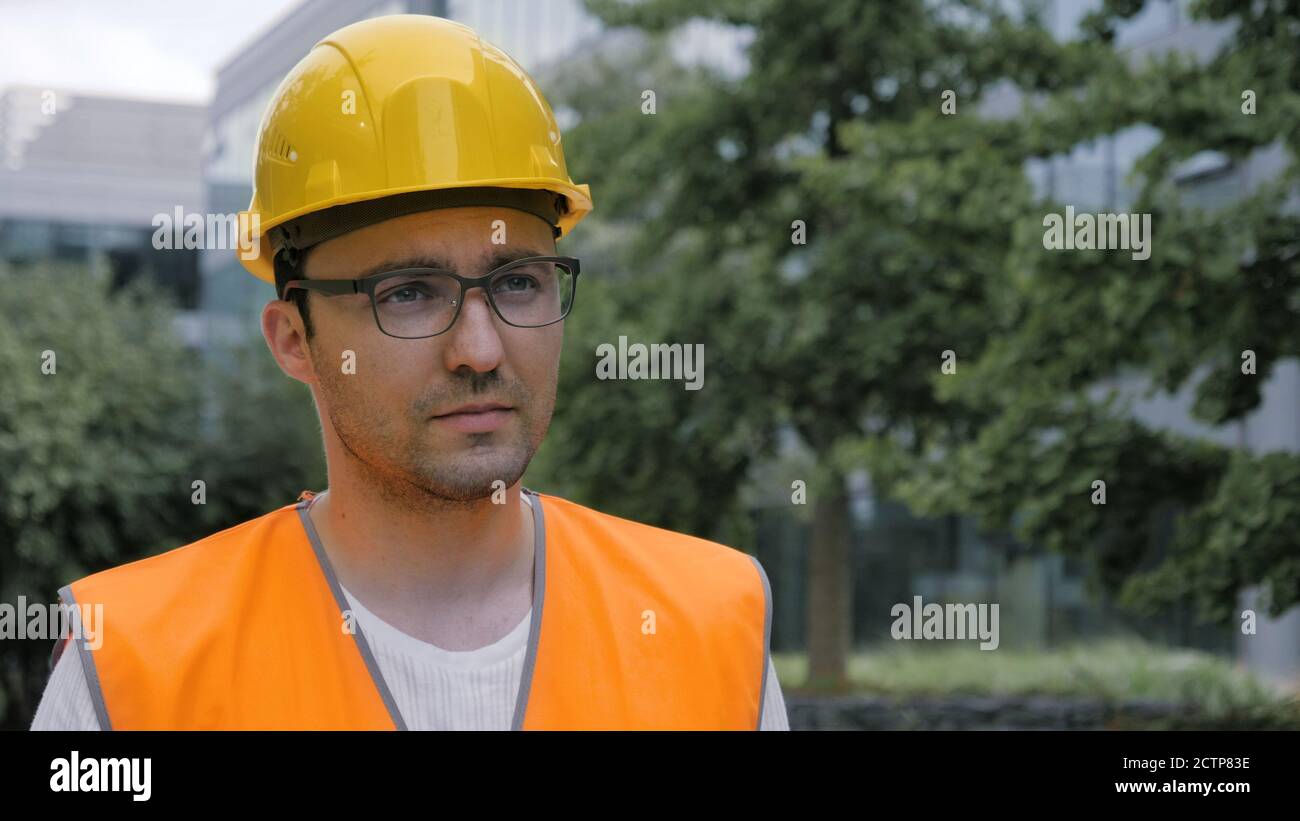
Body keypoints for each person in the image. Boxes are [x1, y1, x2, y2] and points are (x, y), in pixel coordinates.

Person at [32, 13, 787, 730]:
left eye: (518, 280)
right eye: (410, 293)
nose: (481, 349)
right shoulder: (132, 667)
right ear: (294, 338)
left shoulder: (714, 626)